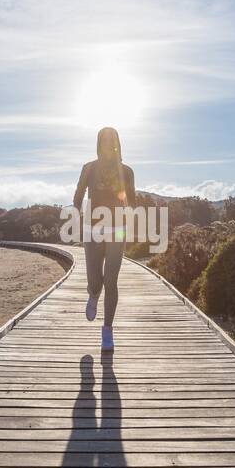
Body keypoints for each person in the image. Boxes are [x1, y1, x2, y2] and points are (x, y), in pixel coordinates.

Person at [72, 127, 136, 351]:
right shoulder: (89, 168)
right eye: (105, 140)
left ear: (118, 143)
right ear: (99, 144)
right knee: (94, 280)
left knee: (111, 280)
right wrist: (75, 214)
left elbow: (133, 201)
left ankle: (107, 330)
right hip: (93, 228)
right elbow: (78, 195)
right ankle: (92, 294)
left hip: (118, 229)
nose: (109, 144)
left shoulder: (126, 171)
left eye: (113, 140)